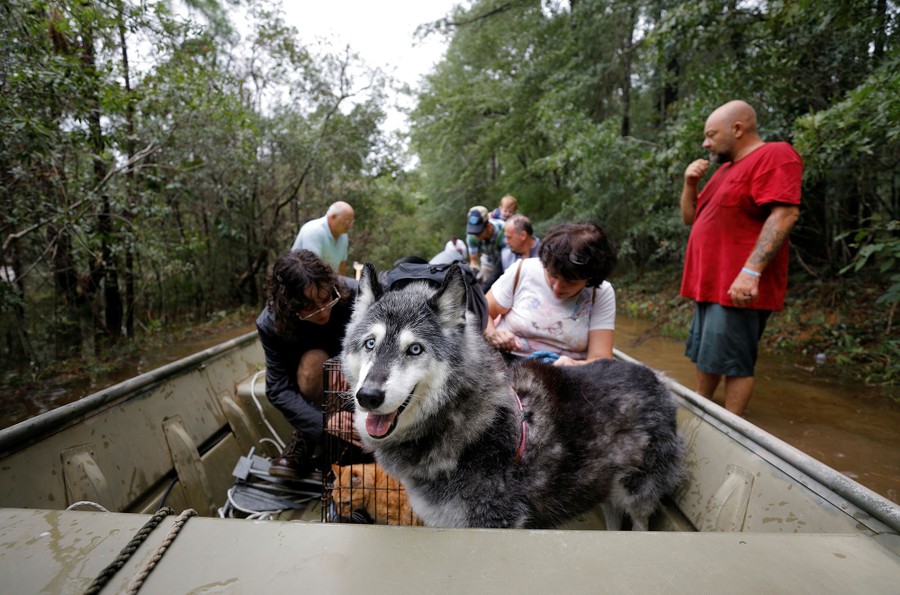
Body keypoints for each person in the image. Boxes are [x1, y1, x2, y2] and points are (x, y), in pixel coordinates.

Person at [680, 99, 802, 417]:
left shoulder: (774, 154)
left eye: (711, 135)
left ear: (737, 129)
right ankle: (701, 411)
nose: (706, 143)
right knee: (707, 356)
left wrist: (751, 272)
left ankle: (732, 427)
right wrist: (690, 184)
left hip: (738, 286)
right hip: (710, 285)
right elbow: (690, 218)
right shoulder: (723, 171)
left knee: (735, 362)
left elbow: (785, 214)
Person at [256, 249, 358, 478]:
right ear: (289, 307)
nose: (322, 312)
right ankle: (310, 436)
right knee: (314, 361)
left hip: (360, 373)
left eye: (325, 299)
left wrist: (346, 362)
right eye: (309, 308)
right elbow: (278, 389)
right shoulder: (270, 324)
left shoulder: (354, 293)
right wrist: (324, 421)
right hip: (314, 391)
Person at [483, 222, 617, 366]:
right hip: (506, 362)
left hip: (566, 372)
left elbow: (601, 360)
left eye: (570, 282)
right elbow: (482, 312)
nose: (557, 288)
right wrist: (492, 333)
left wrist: (574, 364)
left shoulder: (601, 293)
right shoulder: (523, 270)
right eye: (552, 275)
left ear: (590, 279)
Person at [291, 201, 355, 276]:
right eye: (347, 220)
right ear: (333, 217)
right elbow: (311, 269)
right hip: (299, 279)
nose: (350, 225)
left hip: (324, 280)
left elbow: (342, 266)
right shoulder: (314, 231)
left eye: (351, 221)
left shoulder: (343, 235)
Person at [466, 205, 506, 291]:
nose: (476, 236)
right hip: (489, 259)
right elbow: (473, 260)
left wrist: (486, 286)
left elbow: (502, 263)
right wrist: (473, 272)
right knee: (482, 277)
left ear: (488, 226)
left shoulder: (503, 230)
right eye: (473, 232)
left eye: (478, 232)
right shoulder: (472, 236)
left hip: (506, 259)